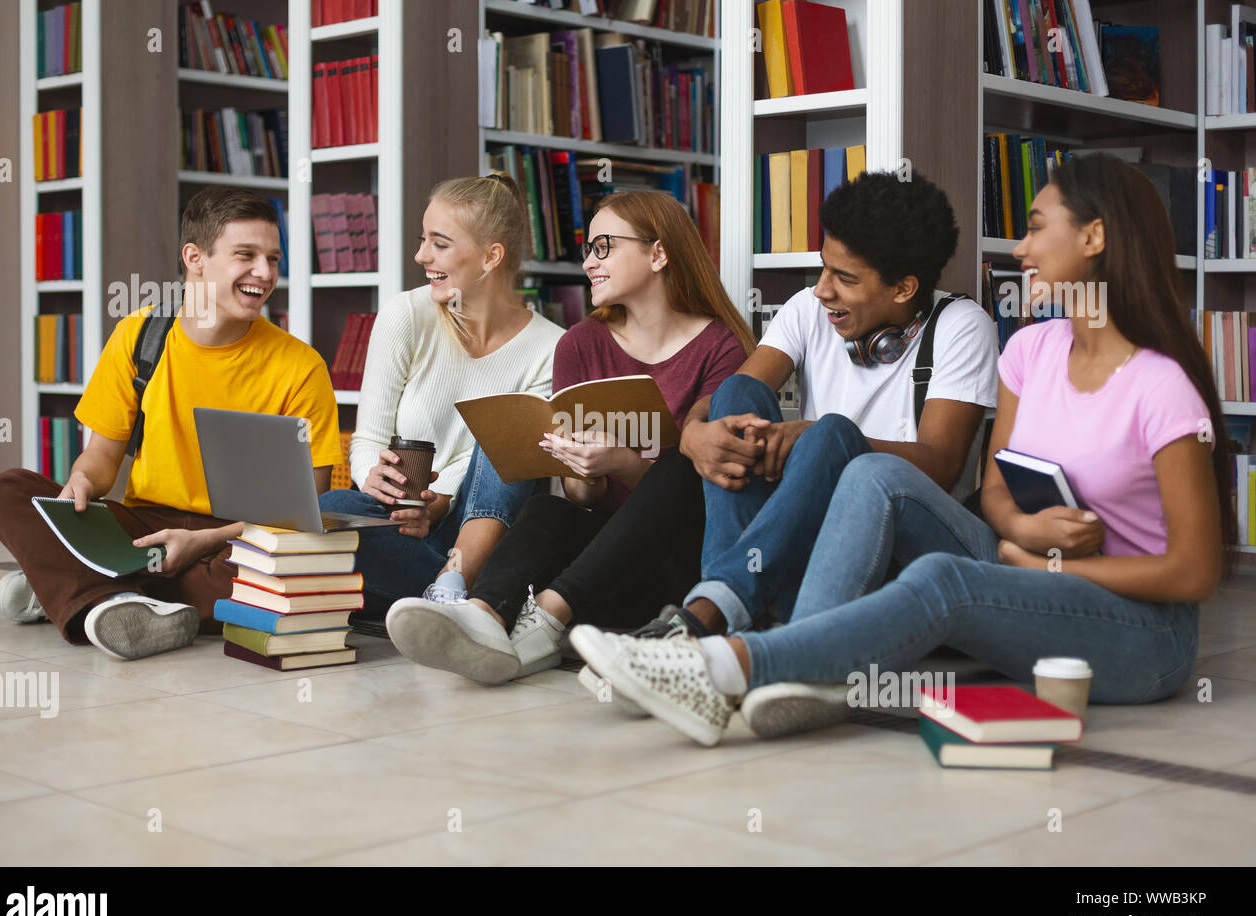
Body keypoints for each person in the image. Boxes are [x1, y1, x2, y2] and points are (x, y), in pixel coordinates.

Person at [571, 154, 1231, 746]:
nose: (1021, 247)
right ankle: (787, 657)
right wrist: (1024, 529)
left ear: (1094, 238)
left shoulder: (1160, 385)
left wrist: (1045, 567)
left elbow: (1195, 574)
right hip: (1022, 564)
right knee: (872, 470)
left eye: (1035, 227)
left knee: (930, 563)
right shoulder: (1031, 351)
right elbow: (996, 490)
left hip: (1141, 631)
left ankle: (725, 660)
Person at [581, 169, 998, 706]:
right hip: (822, 545)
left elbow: (940, 463)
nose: (822, 288)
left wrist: (816, 438)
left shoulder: (962, 325)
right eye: (823, 267)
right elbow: (729, 398)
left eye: (845, 278)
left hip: (919, 542)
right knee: (735, 400)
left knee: (832, 436)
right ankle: (730, 634)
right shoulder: (807, 310)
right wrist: (695, 435)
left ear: (903, 288)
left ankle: (706, 622)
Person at [385, 189, 754, 684]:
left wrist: (623, 462)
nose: (589, 264)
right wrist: (582, 470)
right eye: (588, 249)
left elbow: (710, 486)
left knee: (682, 461)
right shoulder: (582, 343)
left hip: (678, 561)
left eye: (605, 247)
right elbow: (583, 499)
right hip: (599, 567)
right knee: (547, 508)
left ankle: (546, 621)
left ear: (658, 253)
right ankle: (484, 619)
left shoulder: (721, 347)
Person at [0, 186, 344, 659]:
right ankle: (111, 601)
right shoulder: (140, 334)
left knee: (286, 575)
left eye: (273, 258)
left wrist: (203, 541)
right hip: (145, 525)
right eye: (246, 255)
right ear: (195, 258)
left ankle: (70, 586)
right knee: (4, 488)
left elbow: (304, 510)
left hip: (233, 538)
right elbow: (101, 458)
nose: (265, 272)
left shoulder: (301, 366)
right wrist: (81, 482)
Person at [318, 174, 564, 619]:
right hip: (402, 521)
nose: (421, 256)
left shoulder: (552, 347)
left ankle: (452, 582)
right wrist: (374, 475)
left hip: (487, 524)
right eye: (422, 239)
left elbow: (513, 471)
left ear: (491, 257)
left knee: (508, 430)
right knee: (333, 507)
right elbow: (368, 436)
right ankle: (460, 597)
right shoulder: (406, 315)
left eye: (439, 243)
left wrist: (443, 501)